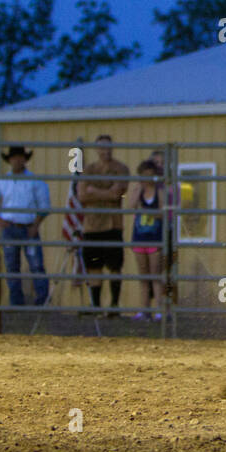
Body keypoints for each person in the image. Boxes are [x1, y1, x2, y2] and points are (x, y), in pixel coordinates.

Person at [0, 145, 50, 307]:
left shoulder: (35, 181)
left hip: (29, 227)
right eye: (14, 158)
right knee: (12, 266)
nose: (17, 160)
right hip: (9, 227)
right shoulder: (2, 180)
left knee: (36, 265)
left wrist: (36, 224)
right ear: (9, 160)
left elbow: (45, 205)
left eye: (20, 157)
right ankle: (17, 302)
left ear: (25, 159)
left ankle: (41, 301)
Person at [77, 134, 130, 315]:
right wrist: (105, 192)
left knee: (115, 266)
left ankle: (114, 305)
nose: (105, 151)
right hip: (92, 225)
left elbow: (117, 194)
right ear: (96, 149)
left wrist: (94, 191)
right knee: (94, 266)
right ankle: (96, 305)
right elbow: (82, 196)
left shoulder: (121, 169)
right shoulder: (89, 170)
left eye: (108, 147)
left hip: (113, 224)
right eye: (101, 147)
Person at [129, 160, 165, 320]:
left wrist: (148, 213)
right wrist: (137, 192)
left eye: (150, 176)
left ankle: (159, 309)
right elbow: (130, 208)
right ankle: (144, 310)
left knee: (155, 274)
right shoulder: (138, 190)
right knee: (143, 276)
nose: (147, 179)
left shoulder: (160, 192)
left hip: (155, 238)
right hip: (139, 237)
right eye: (144, 176)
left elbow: (163, 213)